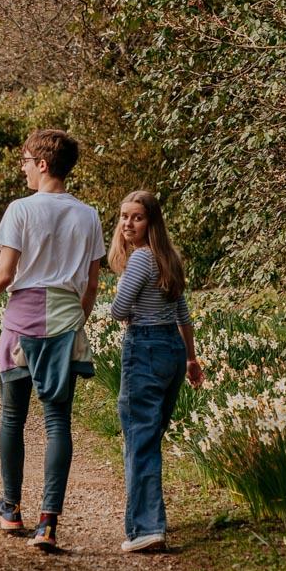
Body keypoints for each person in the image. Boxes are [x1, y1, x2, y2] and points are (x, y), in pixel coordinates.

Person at [0, 129, 104, 552]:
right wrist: (76, 321)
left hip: (21, 322)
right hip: (66, 320)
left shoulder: (21, 210)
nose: (23, 168)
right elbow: (92, 285)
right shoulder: (89, 215)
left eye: (26, 161)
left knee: (13, 418)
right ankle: (48, 523)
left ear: (43, 164)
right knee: (57, 422)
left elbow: (4, 273)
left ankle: (10, 508)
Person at [107, 190, 203, 552]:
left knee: (141, 440)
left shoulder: (141, 259)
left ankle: (147, 528)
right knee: (147, 437)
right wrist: (191, 359)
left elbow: (118, 310)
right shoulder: (168, 258)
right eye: (124, 216)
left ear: (152, 222)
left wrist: (124, 298)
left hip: (144, 347)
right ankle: (149, 518)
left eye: (137, 217)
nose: (128, 224)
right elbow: (183, 314)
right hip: (172, 352)